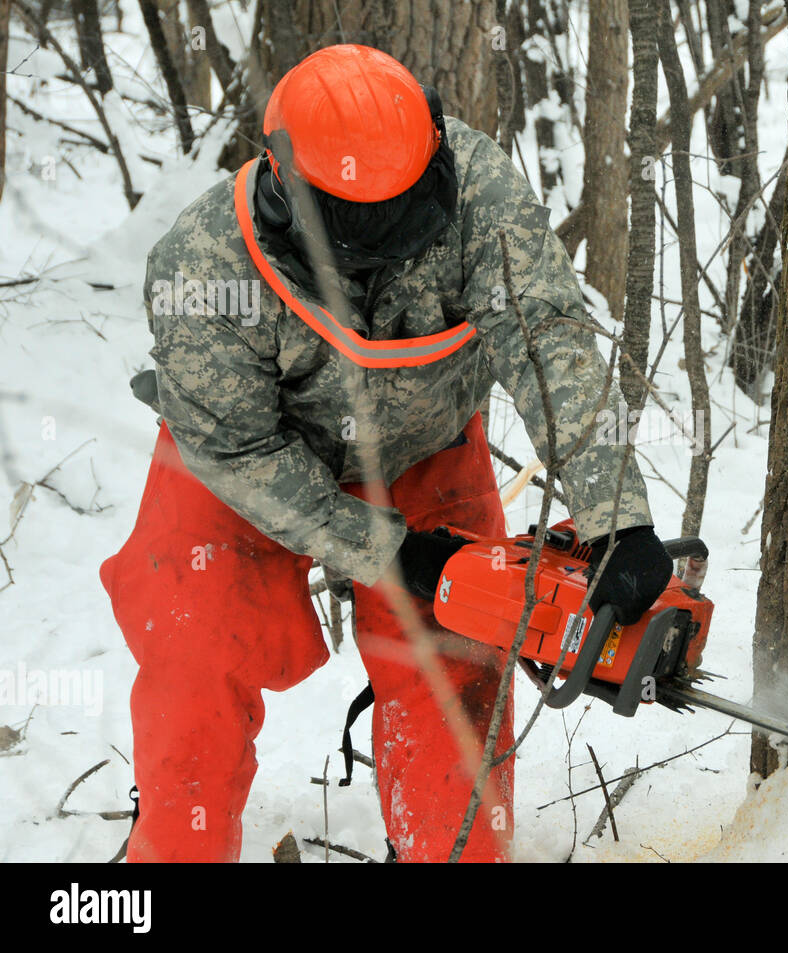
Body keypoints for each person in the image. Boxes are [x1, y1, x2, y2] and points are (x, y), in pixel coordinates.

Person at [99, 44, 672, 863]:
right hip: (247, 466)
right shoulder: (203, 264)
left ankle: (454, 849)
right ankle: (172, 851)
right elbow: (234, 447)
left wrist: (617, 514)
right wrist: (382, 550)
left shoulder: (480, 191)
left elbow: (549, 341)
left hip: (426, 447)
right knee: (193, 639)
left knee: (462, 647)